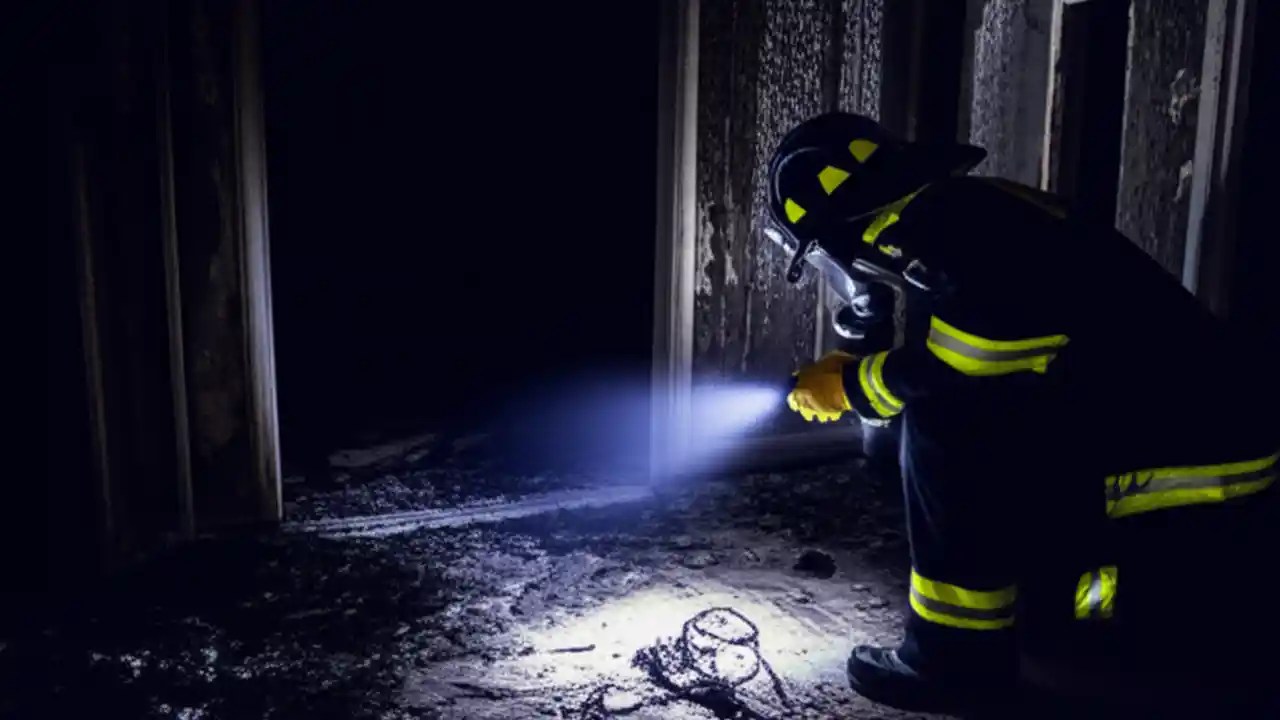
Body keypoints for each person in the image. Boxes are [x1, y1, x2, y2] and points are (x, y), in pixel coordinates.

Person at [764, 112, 1278, 714]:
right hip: (1190, 429)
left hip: (1189, 461)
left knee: (944, 426)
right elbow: (998, 346)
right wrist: (859, 377)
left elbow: (960, 368)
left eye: (820, 253)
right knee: (967, 430)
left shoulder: (943, 227)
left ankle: (949, 662)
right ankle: (1056, 623)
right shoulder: (957, 211)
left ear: (835, 225)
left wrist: (850, 386)